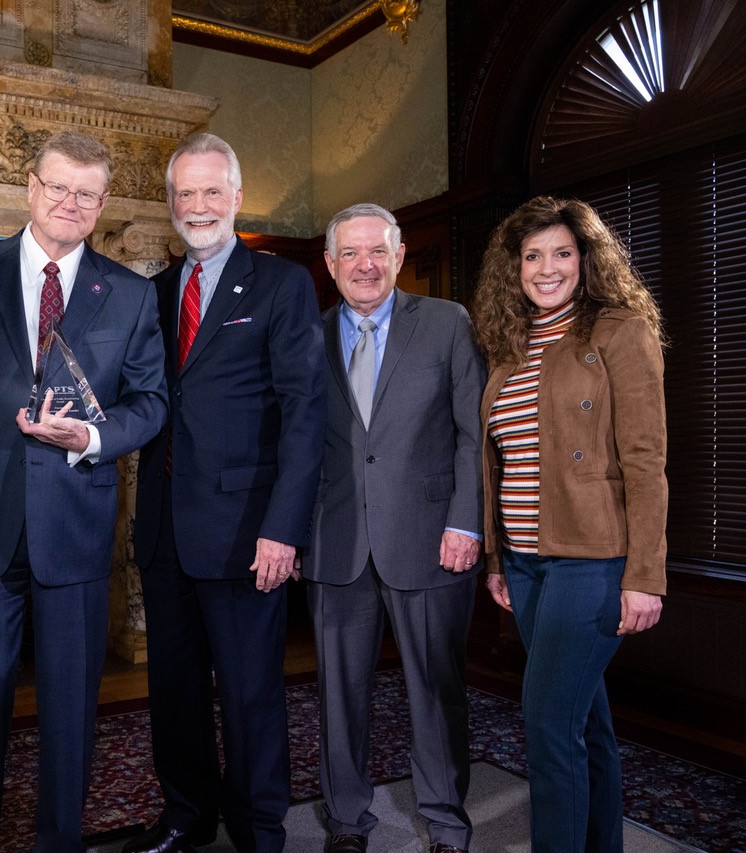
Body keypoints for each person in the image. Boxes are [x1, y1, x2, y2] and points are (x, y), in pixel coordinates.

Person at [0, 130, 167, 853]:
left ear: (101, 205)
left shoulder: (129, 295)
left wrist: (93, 439)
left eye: (87, 194)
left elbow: (152, 401)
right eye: (58, 186)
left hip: (76, 525)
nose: (70, 202)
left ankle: (58, 841)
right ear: (31, 187)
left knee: (71, 709)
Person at [128, 132, 326, 853]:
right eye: (186, 193)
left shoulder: (280, 284)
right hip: (163, 533)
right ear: (172, 204)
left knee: (249, 698)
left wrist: (285, 529)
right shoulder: (149, 294)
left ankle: (257, 830)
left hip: (248, 534)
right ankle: (187, 815)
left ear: (236, 199)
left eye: (213, 191)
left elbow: (306, 412)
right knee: (173, 693)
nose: (198, 205)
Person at [472, 196, 666, 852]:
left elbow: (646, 461)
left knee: (549, 722)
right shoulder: (508, 345)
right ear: (514, 267)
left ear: (585, 260)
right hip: (527, 565)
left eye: (561, 253)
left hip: (593, 558)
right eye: (532, 256)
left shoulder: (619, 331)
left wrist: (645, 577)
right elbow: (501, 462)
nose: (546, 268)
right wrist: (498, 559)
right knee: (586, 722)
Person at [306, 203, 486, 853]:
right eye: (349, 254)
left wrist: (467, 521)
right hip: (335, 543)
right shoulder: (309, 335)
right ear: (329, 264)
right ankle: (348, 821)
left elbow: (474, 435)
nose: (365, 265)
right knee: (339, 695)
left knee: (436, 690)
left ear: (400, 255)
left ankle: (444, 822)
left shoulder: (446, 323)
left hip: (431, 538)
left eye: (377, 251)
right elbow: (297, 443)